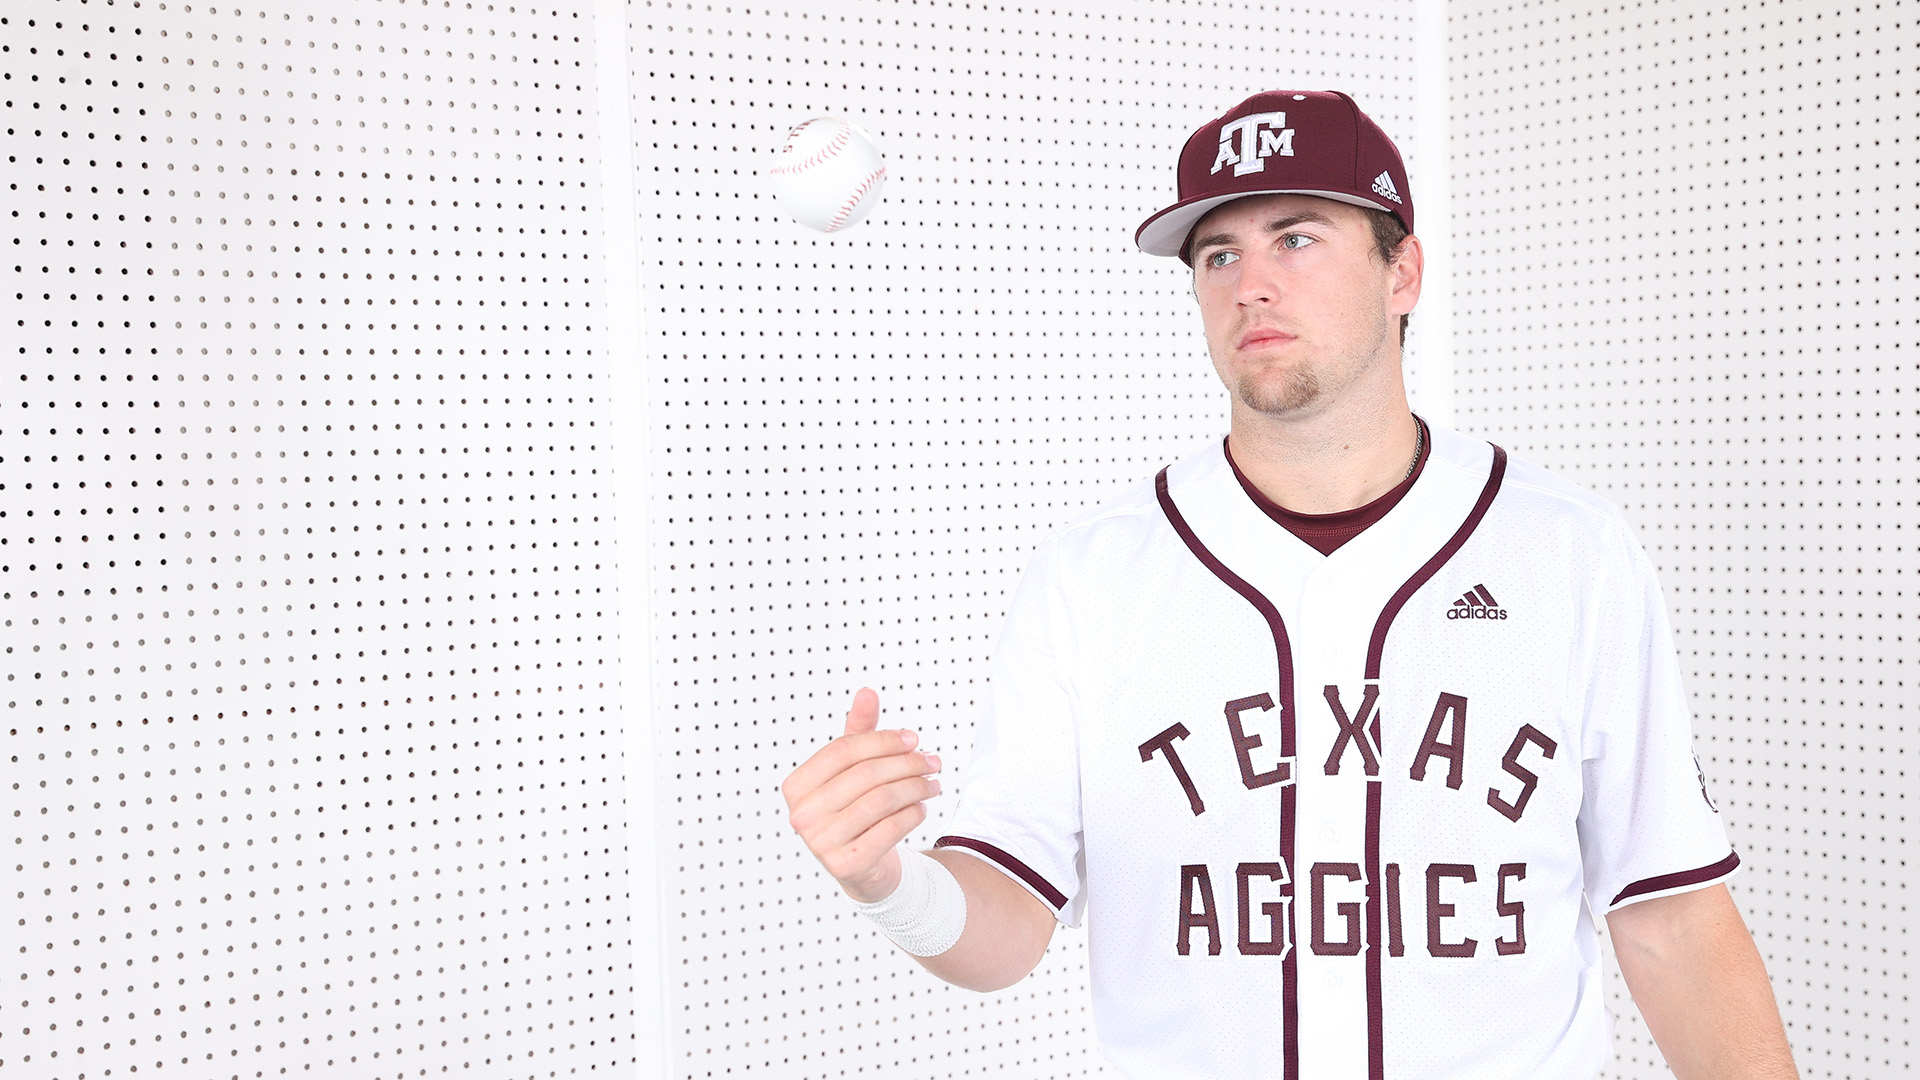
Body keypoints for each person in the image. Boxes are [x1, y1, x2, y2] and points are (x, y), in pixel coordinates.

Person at [780, 90, 1799, 1080]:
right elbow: (1007, 919)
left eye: (1297, 239)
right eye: (1218, 254)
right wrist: (888, 881)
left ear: (1403, 272)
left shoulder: (1572, 552)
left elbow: (1669, 916)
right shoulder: (1091, 574)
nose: (1250, 286)